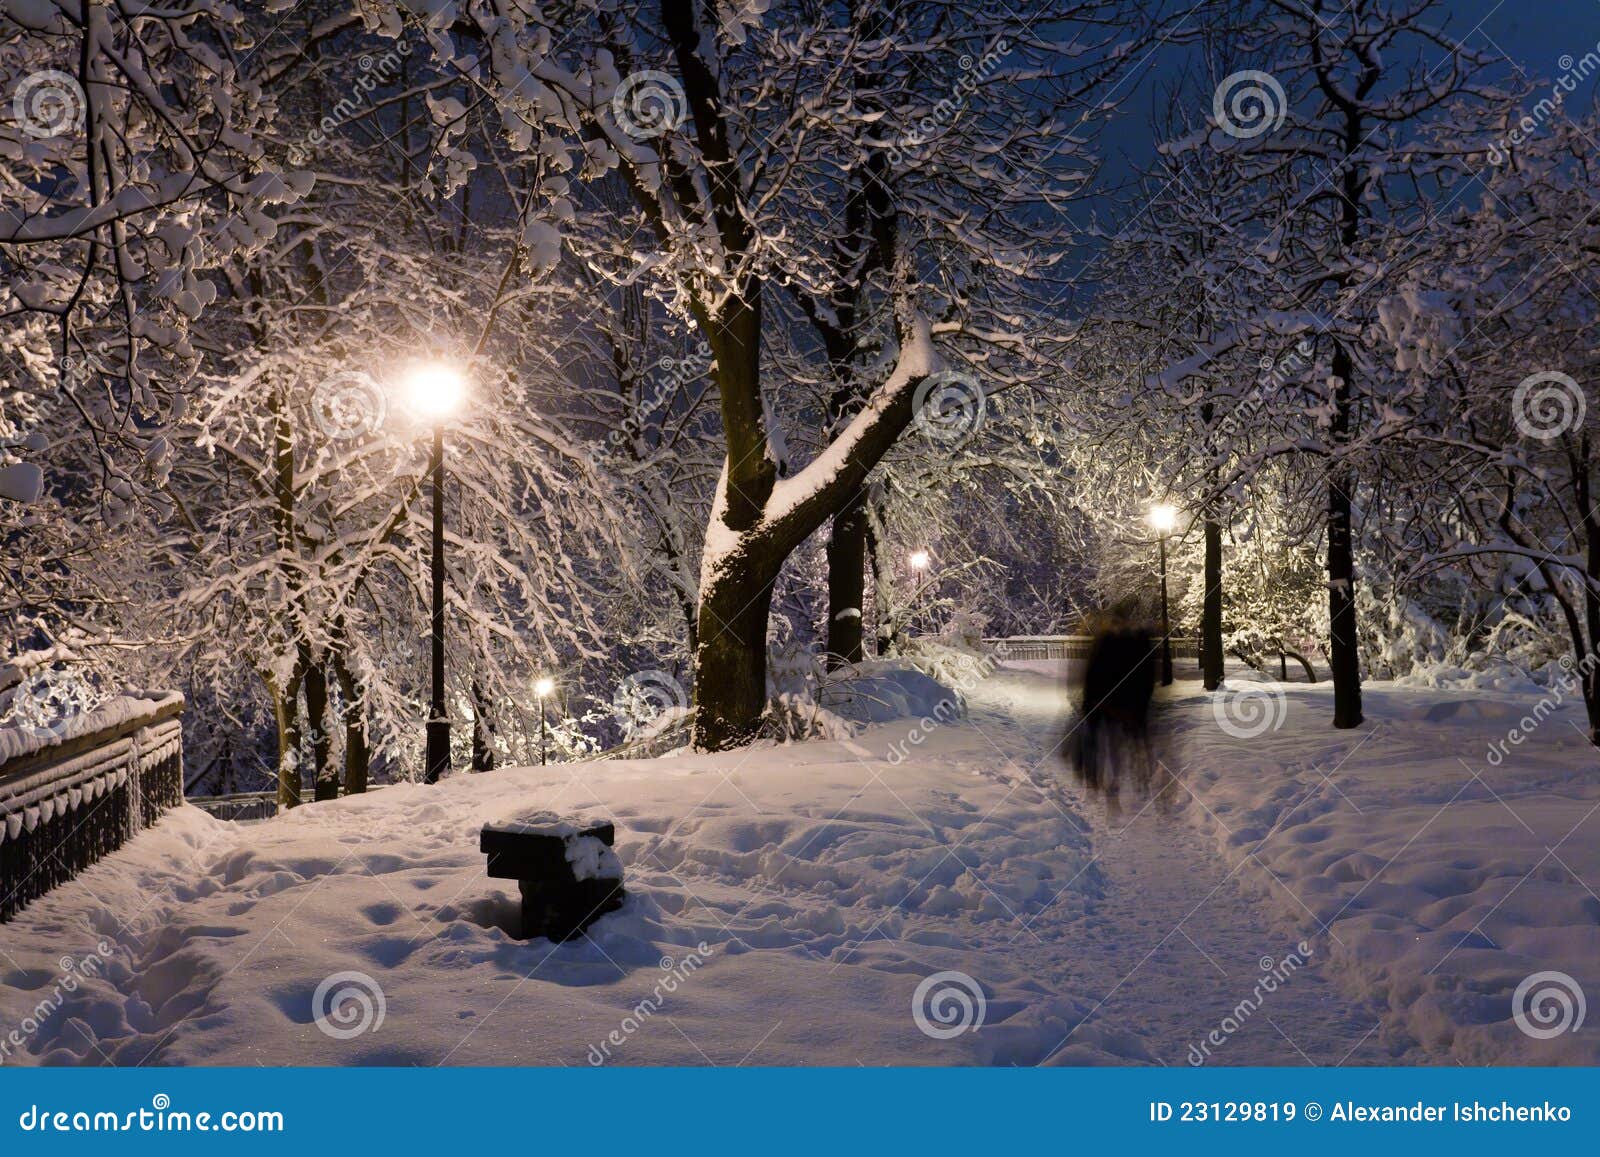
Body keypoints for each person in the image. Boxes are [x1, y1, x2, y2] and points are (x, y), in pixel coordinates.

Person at [1066, 614, 1159, 801]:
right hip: (1125, 703)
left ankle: (1096, 776)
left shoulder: (1104, 643)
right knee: (1125, 741)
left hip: (1107, 702)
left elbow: (1093, 674)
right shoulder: (1135, 644)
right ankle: (1135, 778)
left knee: (1103, 739)